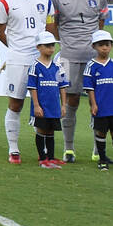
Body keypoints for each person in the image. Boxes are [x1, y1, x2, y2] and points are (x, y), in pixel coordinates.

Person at [45, 0, 110, 163]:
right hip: (69, 57)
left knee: (99, 103)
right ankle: (69, 148)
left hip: (94, 58)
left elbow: (100, 24)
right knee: (70, 100)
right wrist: (65, 42)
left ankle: (97, 149)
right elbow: (51, 26)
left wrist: (93, 46)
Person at [0, 0, 48, 164]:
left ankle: (42, 150)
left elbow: (49, 31)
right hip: (18, 61)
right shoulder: (6, 2)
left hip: (40, 62)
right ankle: (13, 149)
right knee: (16, 104)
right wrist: (16, 49)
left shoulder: (45, 1)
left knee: (42, 105)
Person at [26, 31, 66, 167]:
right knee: (41, 130)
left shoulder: (58, 66)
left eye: (52, 45)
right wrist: (36, 106)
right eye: (47, 45)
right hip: (41, 106)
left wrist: (63, 105)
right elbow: (32, 88)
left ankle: (51, 157)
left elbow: (62, 87)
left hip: (54, 106)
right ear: (38, 47)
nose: (51, 48)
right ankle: (43, 159)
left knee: (51, 130)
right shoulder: (35, 67)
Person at [83, 30, 113, 171]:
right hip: (101, 107)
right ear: (94, 46)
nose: (105, 48)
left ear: (111, 46)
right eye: (101, 45)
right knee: (101, 132)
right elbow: (90, 88)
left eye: (107, 45)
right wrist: (93, 104)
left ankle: (107, 158)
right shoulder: (91, 66)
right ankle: (102, 159)